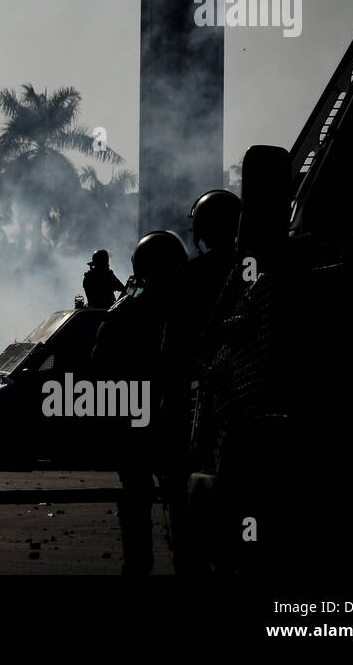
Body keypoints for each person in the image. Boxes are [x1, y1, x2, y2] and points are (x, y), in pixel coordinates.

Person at [91, 230, 187, 575]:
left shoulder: (127, 310)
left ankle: (138, 565)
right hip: (178, 418)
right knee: (181, 498)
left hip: (136, 418)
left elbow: (100, 363)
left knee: (136, 497)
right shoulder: (190, 307)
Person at [157, 189, 241, 574]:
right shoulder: (257, 268)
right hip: (246, 410)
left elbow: (172, 355)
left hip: (197, 409)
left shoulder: (190, 276)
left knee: (187, 522)